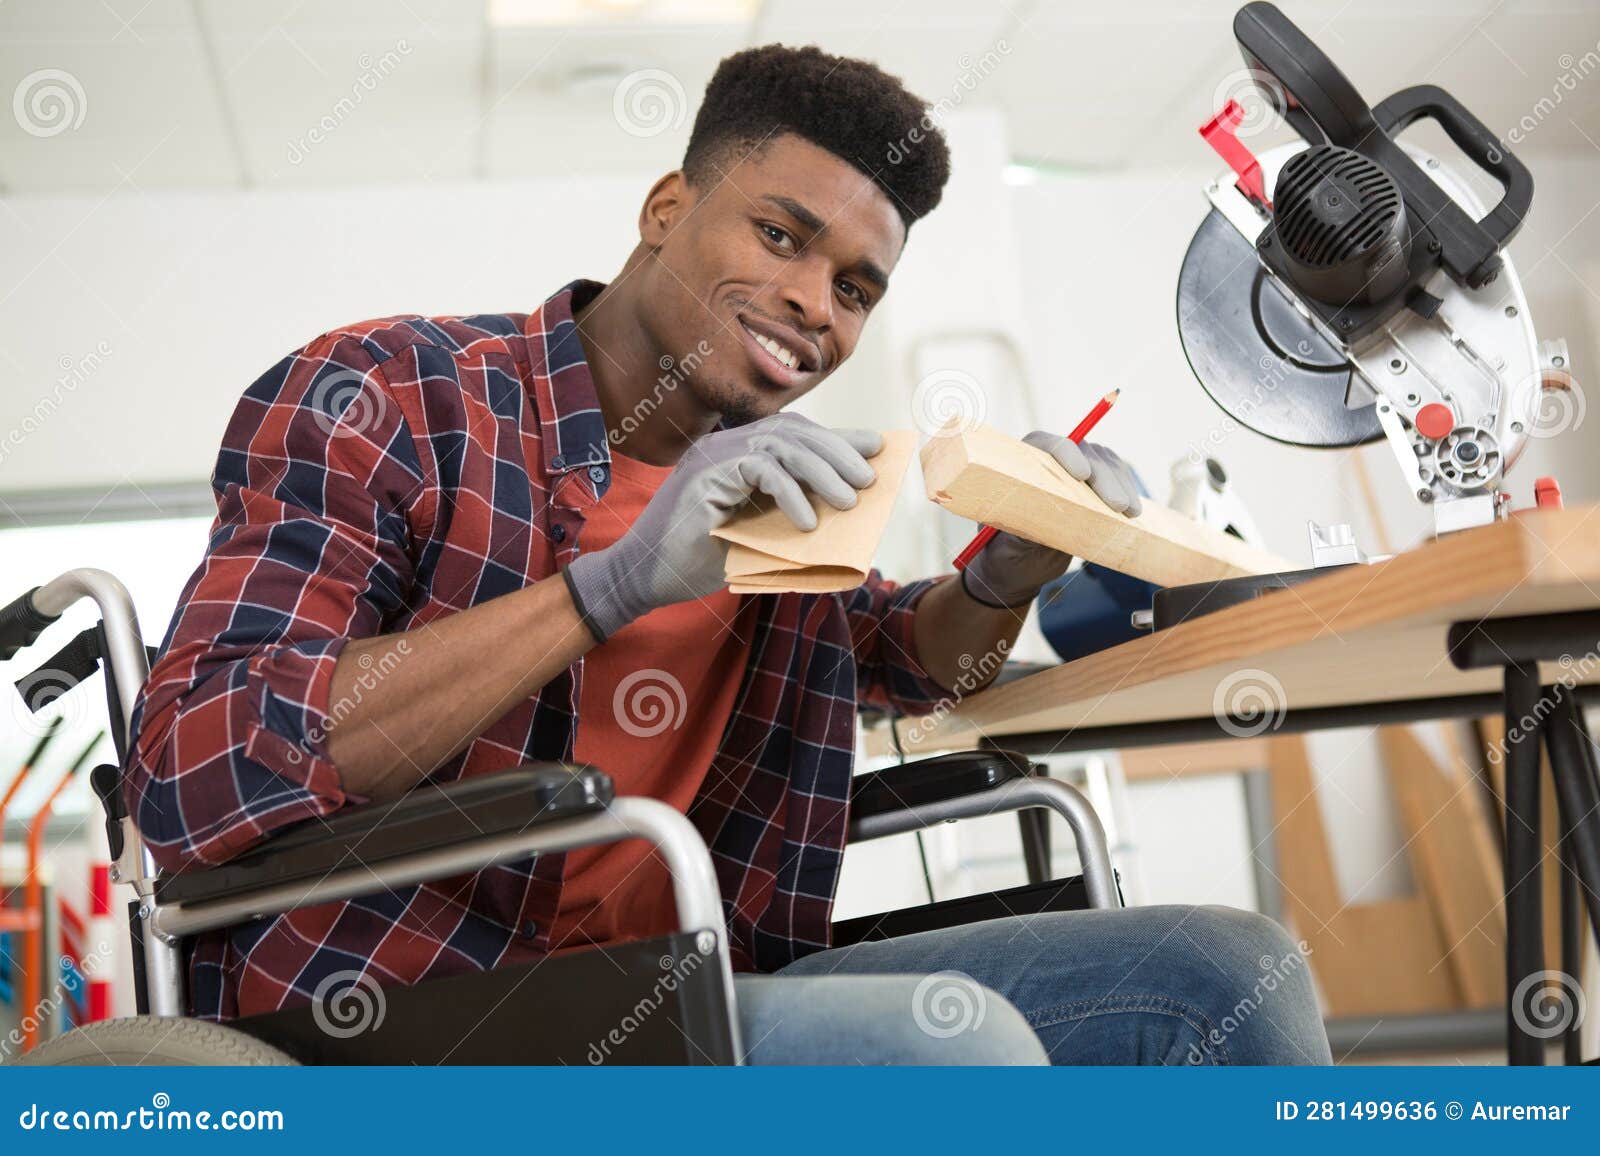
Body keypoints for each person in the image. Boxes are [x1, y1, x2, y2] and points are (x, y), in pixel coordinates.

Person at [124, 44, 1330, 1066]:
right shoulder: (385, 396)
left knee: (1229, 972)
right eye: (780, 234)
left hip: (698, 976)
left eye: (856, 287)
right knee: (953, 1050)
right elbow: (194, 766)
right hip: (406, 999)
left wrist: (1003, 574)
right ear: (664, 211)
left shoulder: (773, 475)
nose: (814, 301)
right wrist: (604, 591)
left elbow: (905, 659)